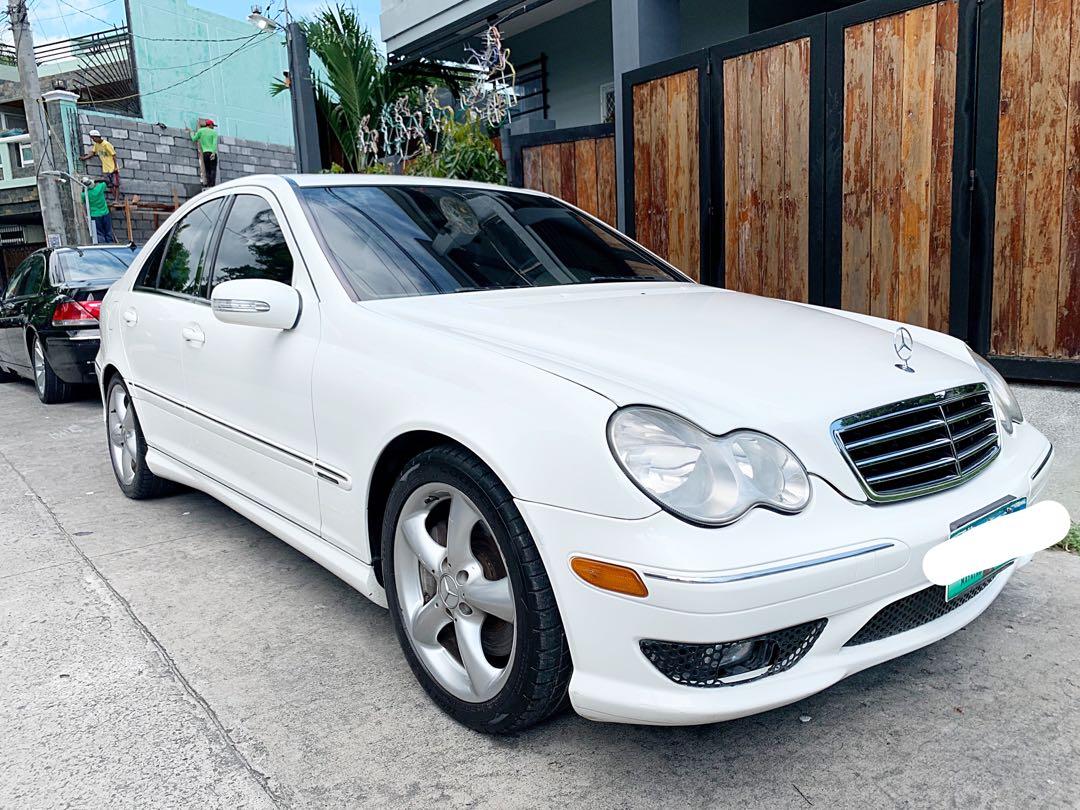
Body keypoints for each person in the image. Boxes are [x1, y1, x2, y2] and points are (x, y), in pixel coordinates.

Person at [80, 130, 120, 202]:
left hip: (112, 168)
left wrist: (115, 167)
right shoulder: (96, 145)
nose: (93, 140)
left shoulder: (106, 144)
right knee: (109, 185)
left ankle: (117, 200)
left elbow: (114, 155)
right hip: (105, 169)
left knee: (116, 184)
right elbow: (92, 153)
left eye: (94, 138)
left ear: (98, 137)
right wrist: (84, 158)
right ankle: (115, 199)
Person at [81, 176, 114, 243]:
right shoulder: (100, 188)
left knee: (99, 234)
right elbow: (106, 181)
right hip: (105, 213)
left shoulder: (85, 194)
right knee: (108, 232)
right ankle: (110, 246)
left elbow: (82, 201)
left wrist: (83, 187)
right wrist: (96, 180)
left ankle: (103, 248)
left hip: (95, 216)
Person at [190, 118, 219, 187]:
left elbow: (194, 139)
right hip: (212, 152)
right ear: (210, 125)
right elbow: (214, 144)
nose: (213, 127)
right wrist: (213, 153)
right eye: (213, 126)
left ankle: (209, 184)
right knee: (213, 169)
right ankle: (212, 185)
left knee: (207, 169)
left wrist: (191, 133)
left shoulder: (200, 131)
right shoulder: (214, 132)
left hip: (205, 153)